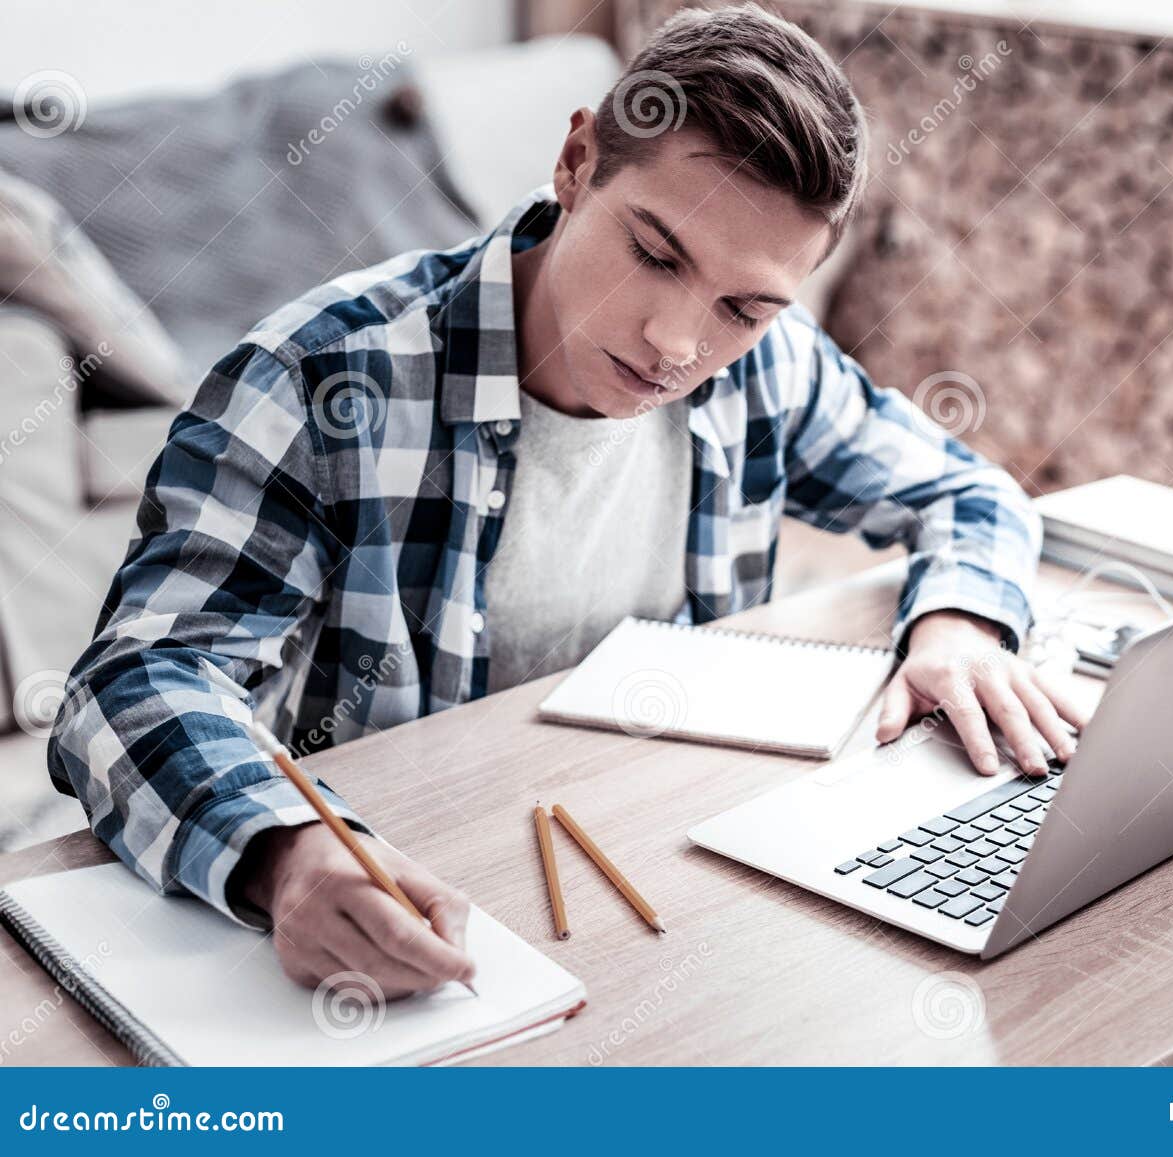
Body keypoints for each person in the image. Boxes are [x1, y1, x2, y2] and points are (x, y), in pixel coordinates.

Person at [47, 4, 1082, 997]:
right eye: (654, 253)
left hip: (664, 887)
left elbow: (965, 489)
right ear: (578, 161)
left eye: (743, 306)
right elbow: (134, 680)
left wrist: (958, 625)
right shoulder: (317, 382)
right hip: (404, 903)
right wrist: (285, 856)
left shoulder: (771, 369)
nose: (677, 344)